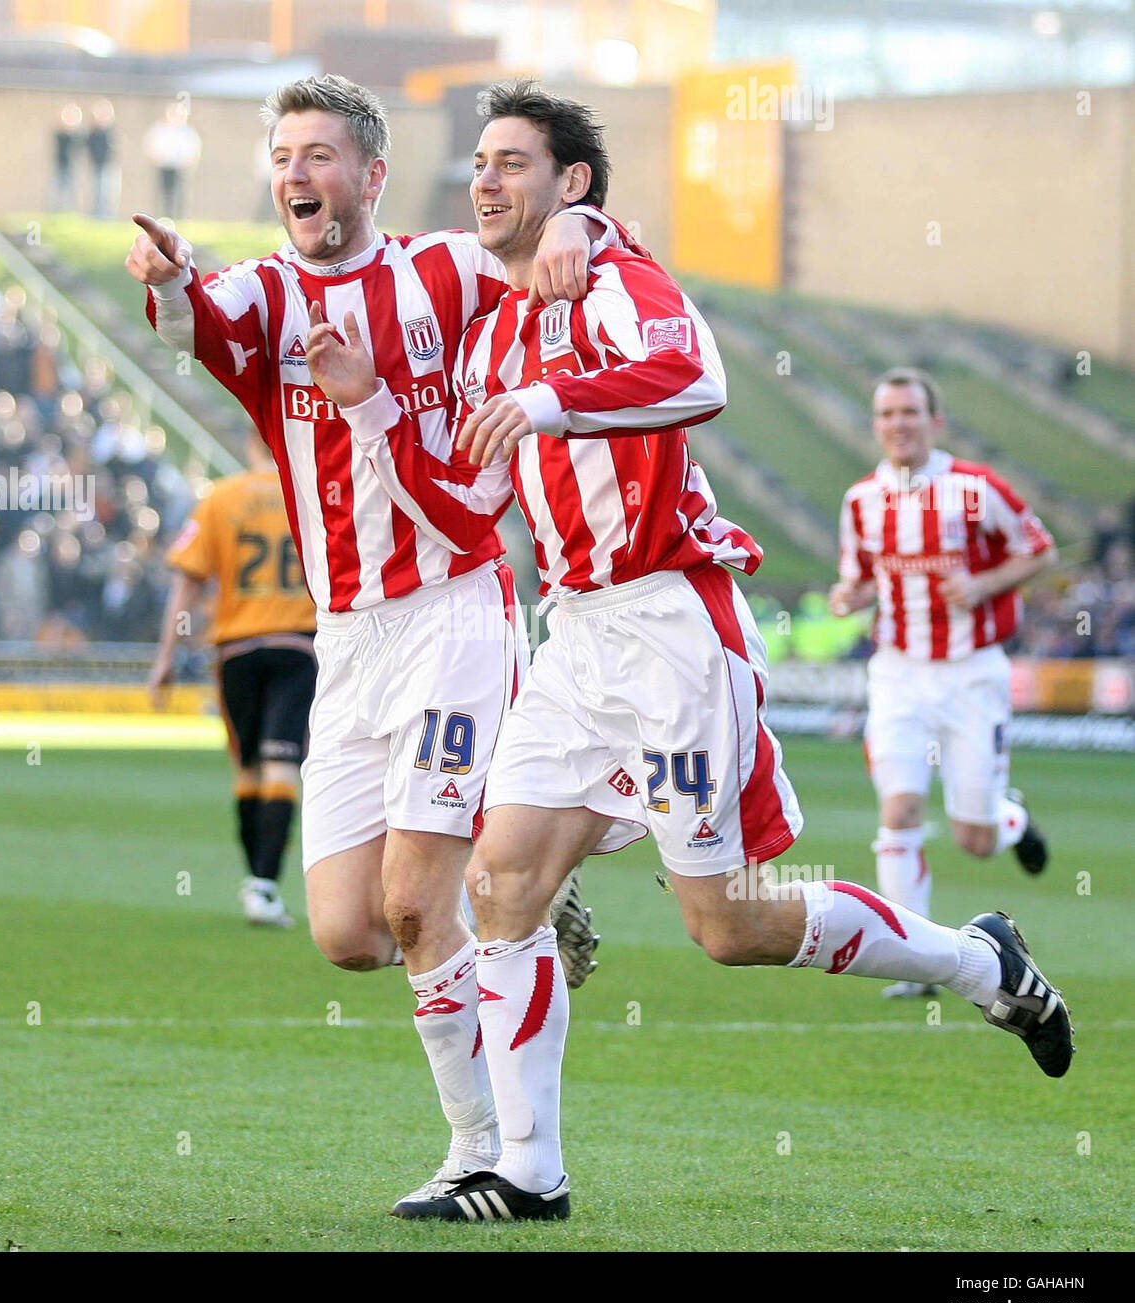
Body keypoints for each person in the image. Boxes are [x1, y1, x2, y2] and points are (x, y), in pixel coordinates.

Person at [307, 80, 1075, 1223]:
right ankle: (524, 1171)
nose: (483, 180)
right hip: (576, 636)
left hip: (672, 627)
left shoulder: (617, 282)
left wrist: (557, 382)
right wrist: (370, 410)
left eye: (512, 164)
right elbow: (463, 501)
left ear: (571, 185)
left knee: (728, 926)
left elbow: (696, 381)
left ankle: (979, 963)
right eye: (477, 162)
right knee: (502, 879)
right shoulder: (490, 335)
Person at [127, 74, 610, 1213]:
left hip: (452, 609)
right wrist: (168, 270)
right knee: (349, 934)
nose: (299, 175)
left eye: (322, 155)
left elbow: (552, 223)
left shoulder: (441, 269)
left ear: (373, 176)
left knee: (411, 905)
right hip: (342, 636)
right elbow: (201, 306)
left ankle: (486, 1154)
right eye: (285, 155)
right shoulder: (266, 294)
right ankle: (529, 880)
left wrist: (581, 222)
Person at [829, 370, 1057, 997]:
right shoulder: (861, 501)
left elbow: (1041, 549)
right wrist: (851, 595)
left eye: (909, 412)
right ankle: (918, 964)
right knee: (898, 810)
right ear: (876, 425)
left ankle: (1009, 821)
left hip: (971, 673)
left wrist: (985, 585)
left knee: (973, 839)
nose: (898, 424)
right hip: (898, 672)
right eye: (886, 414)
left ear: (935, 421)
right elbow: (865, 577)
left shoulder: (977, 489)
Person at [149, 430, 317, 928]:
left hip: (237, 650)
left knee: (247, 769)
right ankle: (263, 887)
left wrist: (165, 657)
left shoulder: (219, 499)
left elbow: (187, 583)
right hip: (298, 646)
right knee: (283, 764)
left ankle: (256, 884)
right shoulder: (308, 492)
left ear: (250, 443)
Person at [143, 101, 201, 220]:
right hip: (165, 166)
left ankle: (180, 218)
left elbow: (194, 150)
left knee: (181, 195)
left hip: (181, 167)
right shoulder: (160, 129)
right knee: (165, 195)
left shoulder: (187, 132)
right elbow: (151, 147)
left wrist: (189, 162)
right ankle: (164, 217)